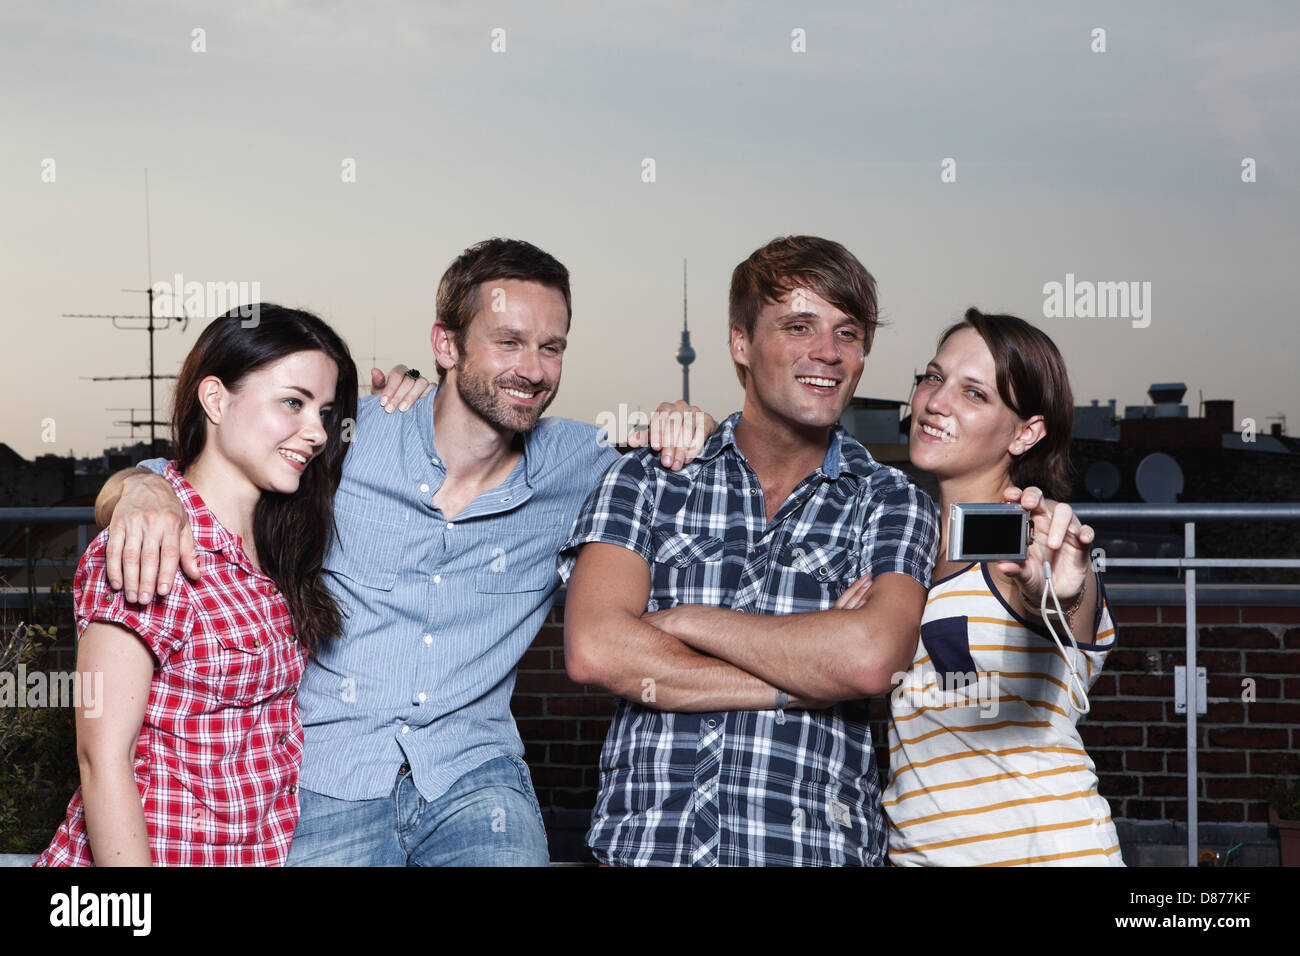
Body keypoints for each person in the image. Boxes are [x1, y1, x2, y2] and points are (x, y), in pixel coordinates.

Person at [94, 238, 715, 866]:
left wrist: (693, 425)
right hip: (325, 773)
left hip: (472, 777)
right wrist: (141, 489)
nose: (532, 368)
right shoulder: (344, 438)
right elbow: (205, 470)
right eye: (508, 341)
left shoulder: (584, 466)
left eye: (550, 347)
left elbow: (712, 474)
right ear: (445, 346)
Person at [559, 235, 940, 866]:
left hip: (810, 851)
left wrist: (688, 623)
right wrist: (805, 678)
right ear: (741, 343)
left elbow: (871, 661)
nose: (828, 353)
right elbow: (598, 649)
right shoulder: (648, 476)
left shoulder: (890, 501)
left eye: (848, 334)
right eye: (799, 326)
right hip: (649, 850)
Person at [36, 304, 357, 866]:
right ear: (215, 399)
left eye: (325, 412)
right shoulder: (155, 542)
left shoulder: (274, 548)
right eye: (293, 402)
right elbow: (102, 758)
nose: (316, 432)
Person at [874, 308, 1123, 866]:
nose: (936, 403)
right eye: (933, 378)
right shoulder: (902, 548)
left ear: (1026, 432)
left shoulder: (1038, 542)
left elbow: (1061, 605)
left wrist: (1054, 593)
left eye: (975, 394)